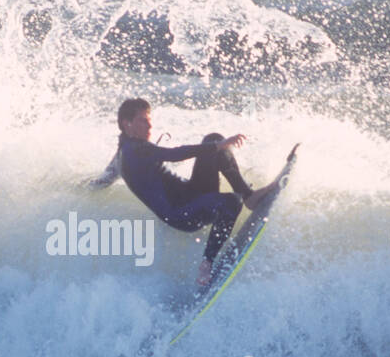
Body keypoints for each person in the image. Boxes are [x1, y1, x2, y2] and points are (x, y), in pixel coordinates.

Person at [91, 98, 278, 288]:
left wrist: (82, 186)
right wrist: (218, 146)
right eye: (143, 120)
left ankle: (249, 196)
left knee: (213, 138)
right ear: (127, 123)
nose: (150, 124)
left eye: (149, 119)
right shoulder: (137, 150)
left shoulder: (121, 153)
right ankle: (207, 263)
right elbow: (174, 154)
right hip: (182, 213)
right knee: (230, 202)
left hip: (191, 194)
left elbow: (103, 180)